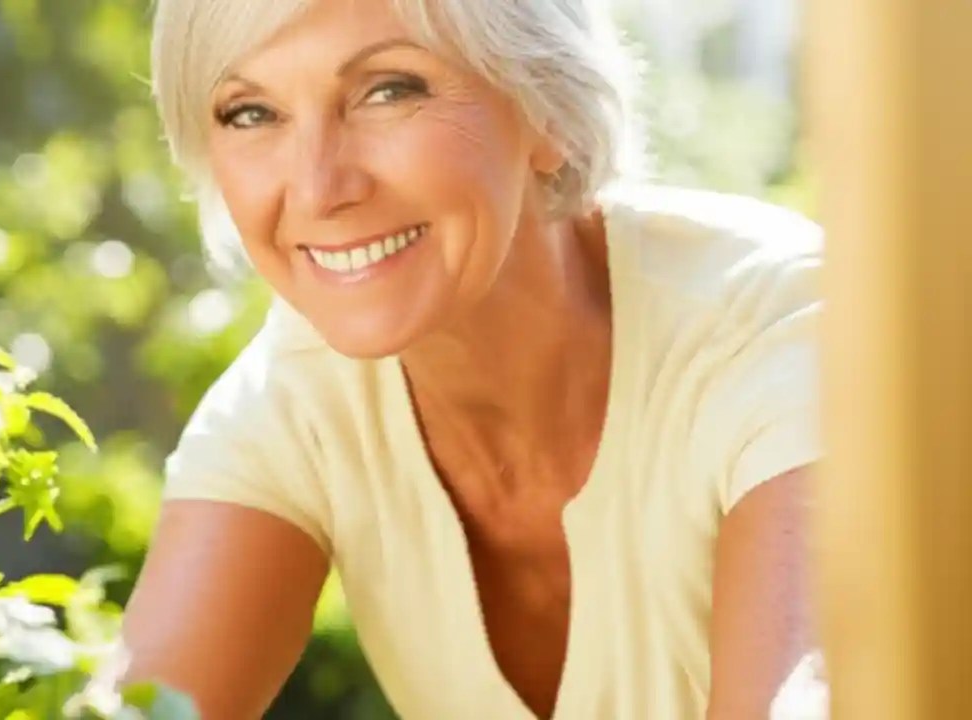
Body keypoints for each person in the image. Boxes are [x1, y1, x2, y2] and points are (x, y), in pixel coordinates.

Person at [121, 0, 823, 718]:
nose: (317, 188)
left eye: (389, 90)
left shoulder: (778, 326)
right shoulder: (295, 403)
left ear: (546, 106)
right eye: (251, 113)